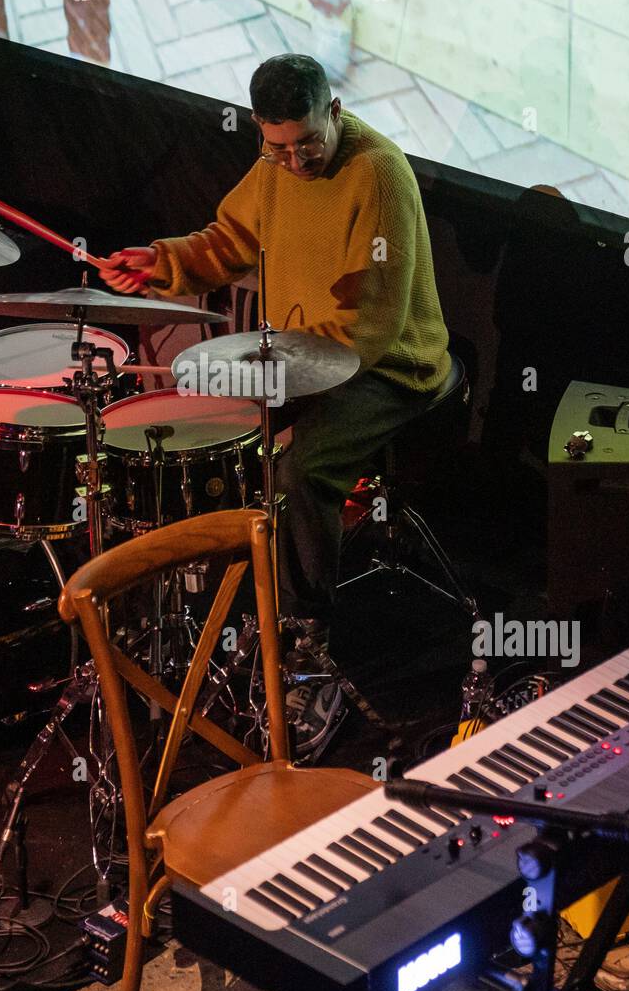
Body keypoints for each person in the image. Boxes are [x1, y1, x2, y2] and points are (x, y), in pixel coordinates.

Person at [99, 54, 451, 758]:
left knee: (299, 472)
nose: (292, 161)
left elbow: (370, 330)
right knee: (192, 433)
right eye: (276, 146)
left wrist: (275, 379)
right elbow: (230, 239)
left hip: (390, 370)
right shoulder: (273, 164)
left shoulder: (376, 176)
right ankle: (197, 616)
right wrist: (161, 262)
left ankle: (305, 647)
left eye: (305, 144)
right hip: (303, 360)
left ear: (335, 109)